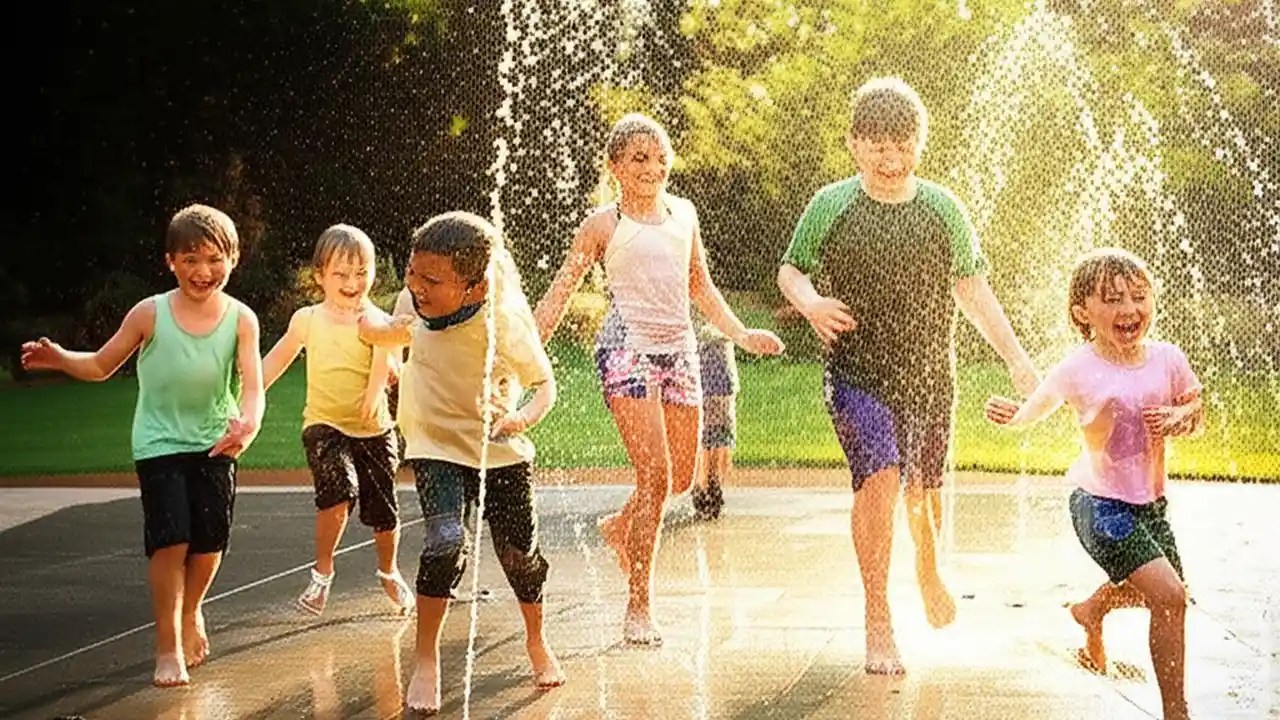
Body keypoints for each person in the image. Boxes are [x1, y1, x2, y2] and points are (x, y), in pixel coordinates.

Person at [776, 77, 1039, 674]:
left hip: (928, 377)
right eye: (877, 146)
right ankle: (877, 615)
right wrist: (812, 303)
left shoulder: (943, 209)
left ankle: (926, 564)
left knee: (924, 492)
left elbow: (973, 291)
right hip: (855, 371)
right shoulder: (831, 205)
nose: (891, 160)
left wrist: (1017, 359)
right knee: (881, 478)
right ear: (854, 144)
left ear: (921, 143)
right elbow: (791, 269)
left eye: (903, 146)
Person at [533, 113, 785, 645]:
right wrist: (525, 355)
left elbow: (701, 285)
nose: (653, 166)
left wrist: (741, 335)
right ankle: (639, 606)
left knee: (676, 479)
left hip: (681, 352)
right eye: (638, 158)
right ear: (615, 166)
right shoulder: (603, 225)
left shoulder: (684, 214)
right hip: (626, 352)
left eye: (659, 155)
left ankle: (619, 526)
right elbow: (559, 293)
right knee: (653, 476)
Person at [20, 204, 264, 687]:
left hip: (216, 443)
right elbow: (101, 365)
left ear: (233, 260)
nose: (203, 271)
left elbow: (253, 385)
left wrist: (248, 426)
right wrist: (60, 358)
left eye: (215, 259)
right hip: (158, 444)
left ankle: (191, 611)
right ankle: (167, 645)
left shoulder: (241, 319)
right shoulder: (150, 313)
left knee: (210, 545)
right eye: (191, 259)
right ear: (170, 261)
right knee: (172, 540)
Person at [358, 211, 565, 713]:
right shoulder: (412, 300)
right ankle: (425, 658)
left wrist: (520, 418)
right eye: (412, 273)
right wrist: (373, 328)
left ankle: (536, 639)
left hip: (498, 448)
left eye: (432, 280)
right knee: (445, 544)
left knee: (520, 555)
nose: (416, 286)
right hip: (434, 443)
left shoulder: (503, 320)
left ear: (474, 287)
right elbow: (394, 332)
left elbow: (545, 386)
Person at [986, 247, 1200, 720]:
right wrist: (1014, 416)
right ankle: (1177, 713)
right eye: (1114, 300)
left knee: (1171, 593)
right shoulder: (1076, 368)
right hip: (1099, 506)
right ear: (1084, 312)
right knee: (1170, 597)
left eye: (1139, 297)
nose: (1130, 310)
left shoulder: (1167, 358)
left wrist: (1181, 415)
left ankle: (1092, 608)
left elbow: (1195, 409)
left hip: (1149, 504)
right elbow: (1037, 408)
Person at [260, 224, 413, 617]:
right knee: (338, 491)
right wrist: (246, 393)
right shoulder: (307, 320)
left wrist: (377, 388)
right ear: (320, 276)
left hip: (375, 429)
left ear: (374, 274)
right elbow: (275, 361)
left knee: (383, 511)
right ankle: (323, 572)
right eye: (341, 274)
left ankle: (388, 570)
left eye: (362, 273)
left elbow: (387, 356)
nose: (352, 282)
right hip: (324, 423)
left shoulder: (376, 320)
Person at [691, 315, 739, 520]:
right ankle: (711, 486)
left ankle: (705, 487)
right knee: (719, 426)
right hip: (717, 346)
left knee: (703, 426)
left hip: (698, 347)